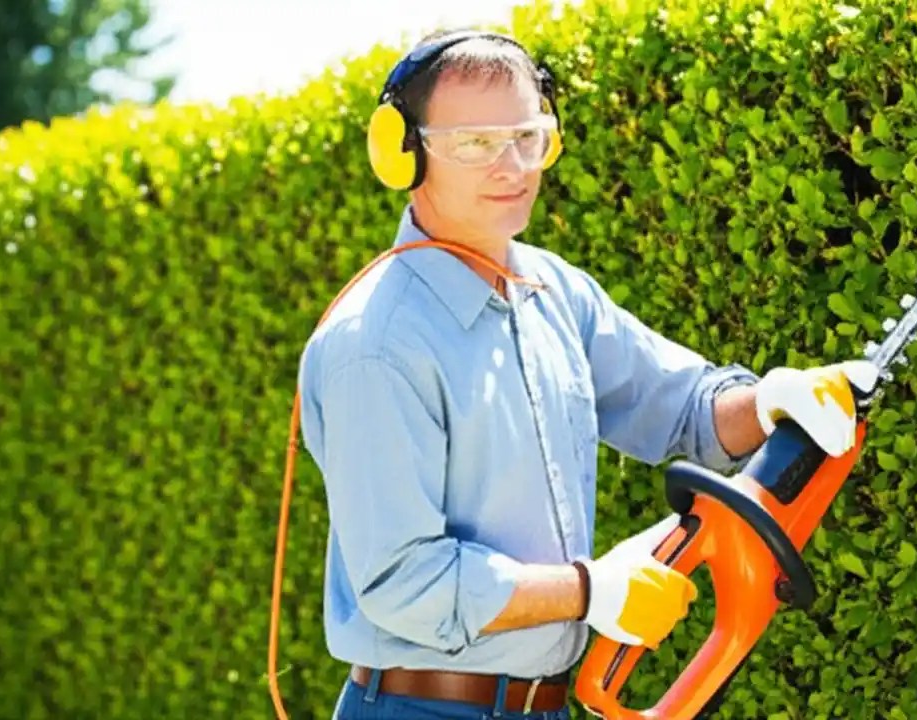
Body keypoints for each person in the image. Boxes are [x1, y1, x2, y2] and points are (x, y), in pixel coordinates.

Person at [296, 28, 878, 720]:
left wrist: (775, 400)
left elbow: (684, 407)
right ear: (403, 153)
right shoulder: (377, 344)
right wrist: (589, 590)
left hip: (545, 706)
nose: (511, 166)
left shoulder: (552, 290)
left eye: (528, 136)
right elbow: (401, 582)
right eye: (475, 144)